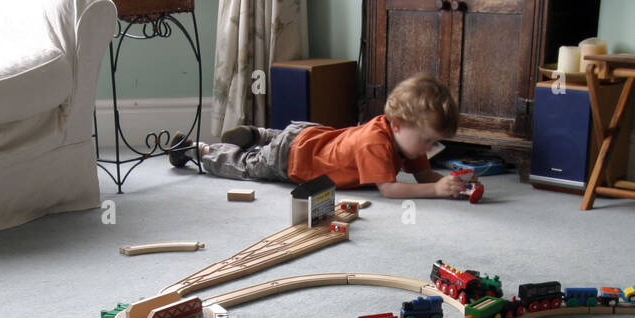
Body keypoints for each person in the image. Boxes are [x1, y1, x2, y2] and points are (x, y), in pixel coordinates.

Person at [170, 74, 468, 199]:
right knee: (246, 165)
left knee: (282, 139)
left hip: (309, 136)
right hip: (292, 161)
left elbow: (425, 175)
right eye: (427, 140)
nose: (429, 148)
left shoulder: (407, 141)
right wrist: (435, 191)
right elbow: (389, 189)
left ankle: (258, 133)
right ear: (399, 124)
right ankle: (197, 150)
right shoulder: (376, 142)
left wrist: (455, 184)